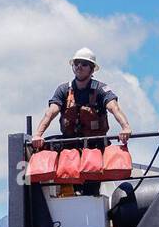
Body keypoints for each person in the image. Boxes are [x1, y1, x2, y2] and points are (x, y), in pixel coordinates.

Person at [32, 47, 133, 196]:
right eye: (76, 63)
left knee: (90, 186)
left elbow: (114, 108)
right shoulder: (63, 90)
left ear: (92, 70)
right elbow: (50, 113)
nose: (79, 67)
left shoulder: (100, 89)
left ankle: (89, 197)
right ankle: (58, 191)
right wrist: (38, 135)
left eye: (84, 64)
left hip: (94, 147)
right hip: (70, 144)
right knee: (46, 147)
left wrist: (125, 127)